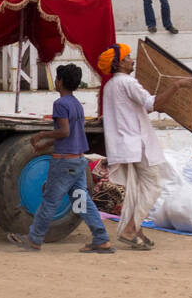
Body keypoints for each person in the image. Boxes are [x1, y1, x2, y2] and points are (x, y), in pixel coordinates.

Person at [97, 43, 192, 250]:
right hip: (136, 143)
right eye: (128, 58)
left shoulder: (110, 86)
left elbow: (140, 110)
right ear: (119, 63)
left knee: (136, 190)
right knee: (152, 187)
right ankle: (130, 230)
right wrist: (177, 85)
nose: (132, 61)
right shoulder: (127, 82)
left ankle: (137, 231)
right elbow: (154, 105)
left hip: (123, 145)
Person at [8, 64, 113, 253]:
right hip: (78, 161)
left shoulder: (60, 104)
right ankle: (101, 238)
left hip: (64, 162)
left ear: (60, 81)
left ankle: (34, 239)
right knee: (82, 201)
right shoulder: (76, 104)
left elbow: (65, 131)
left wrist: (42, 135)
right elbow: (72, 134)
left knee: (50, 200)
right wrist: (46, 144)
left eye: (57, 78)